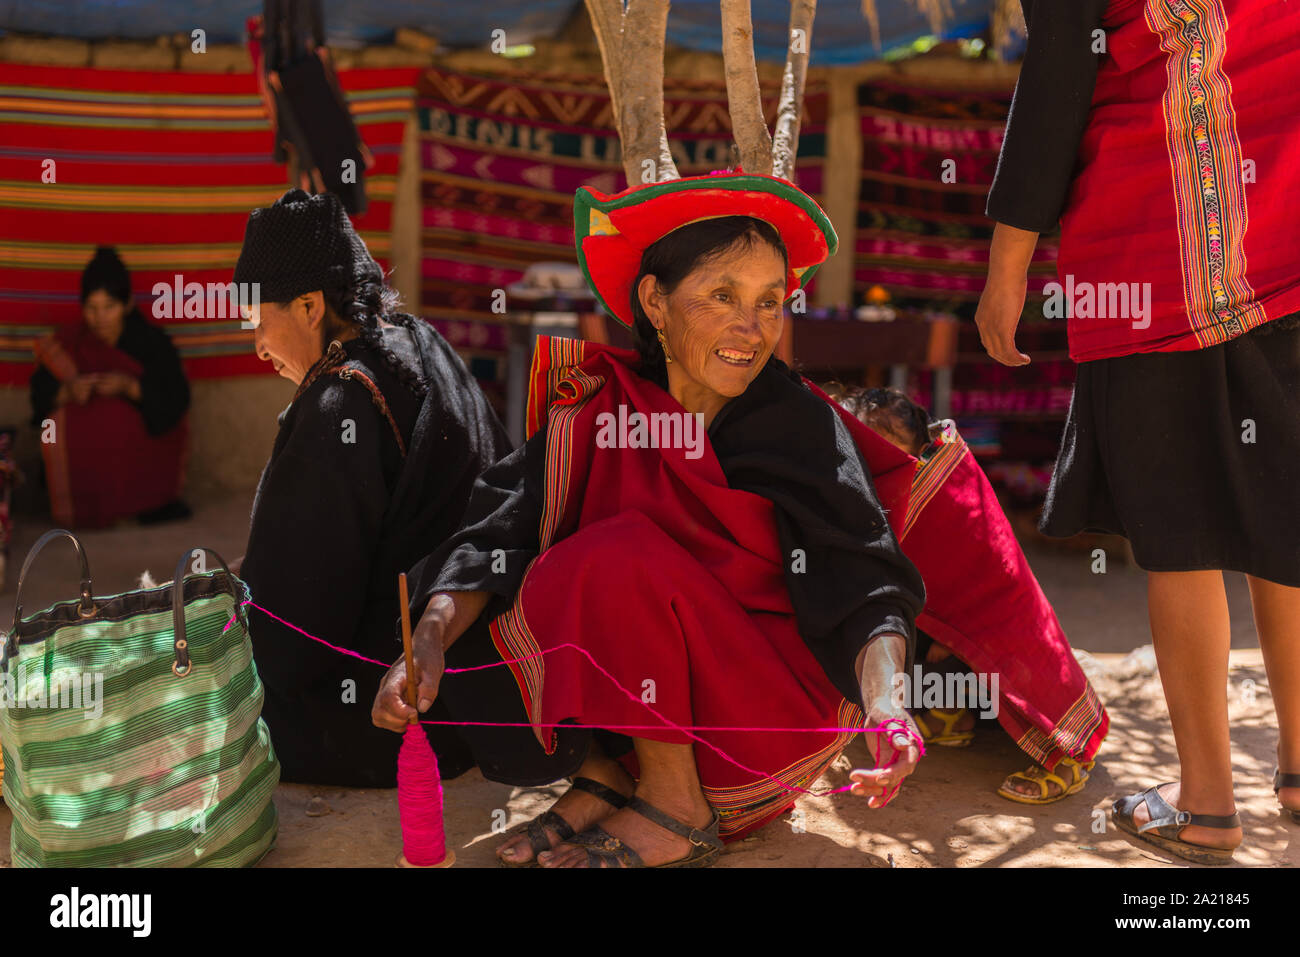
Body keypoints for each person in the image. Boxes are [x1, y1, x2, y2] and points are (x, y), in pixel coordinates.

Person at [372, 171, 928, 868]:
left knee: (621, 554)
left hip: (757, 716)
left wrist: (887, 704)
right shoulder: (603, 410)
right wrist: (426, 639)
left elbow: (867, 580)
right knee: (508, 573)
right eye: (722, 296)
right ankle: (610, 774)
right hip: (656, 702)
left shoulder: (801, 427)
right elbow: (495, 533)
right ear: (655, 302)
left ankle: (676, 803)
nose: (751, 328)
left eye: (770, 302)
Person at [979, 0, 1300, 863]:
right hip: (1287, 241)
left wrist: (1005, 271)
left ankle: (1205, 804)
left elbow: (1056, 86)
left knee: (1181, 531)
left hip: (1154, 253)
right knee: (1286, 512)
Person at [235, 188, 510, 786]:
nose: (256, 346)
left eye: (259, 321)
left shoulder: (338, 408)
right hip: (477, 688)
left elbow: (294, 633)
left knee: (197, 711)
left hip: (393, 711)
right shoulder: (419, 341)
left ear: (309, 307)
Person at [829, 384, 1108, 803]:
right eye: (864, 449)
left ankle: (1066, 753)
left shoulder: (945, 490)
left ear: (921, 447)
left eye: (889, 448)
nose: (877, 461)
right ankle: (948, 716)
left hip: (988, 625)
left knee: (989, 649)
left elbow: (978, 575)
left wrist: (951, 631)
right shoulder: (876, 497)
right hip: (938, 627)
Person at [30, 246, 191, 528]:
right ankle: (80, 505)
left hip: (139, 465)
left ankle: (141, 504)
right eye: (92, 308)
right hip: (83, 471)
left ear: (127, 305)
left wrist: (130, 387)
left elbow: (176, 401)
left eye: (109, 307)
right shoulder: (70, 343)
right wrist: (68, 392)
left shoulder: (152, 344)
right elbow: (39, 398)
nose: (100, 318)